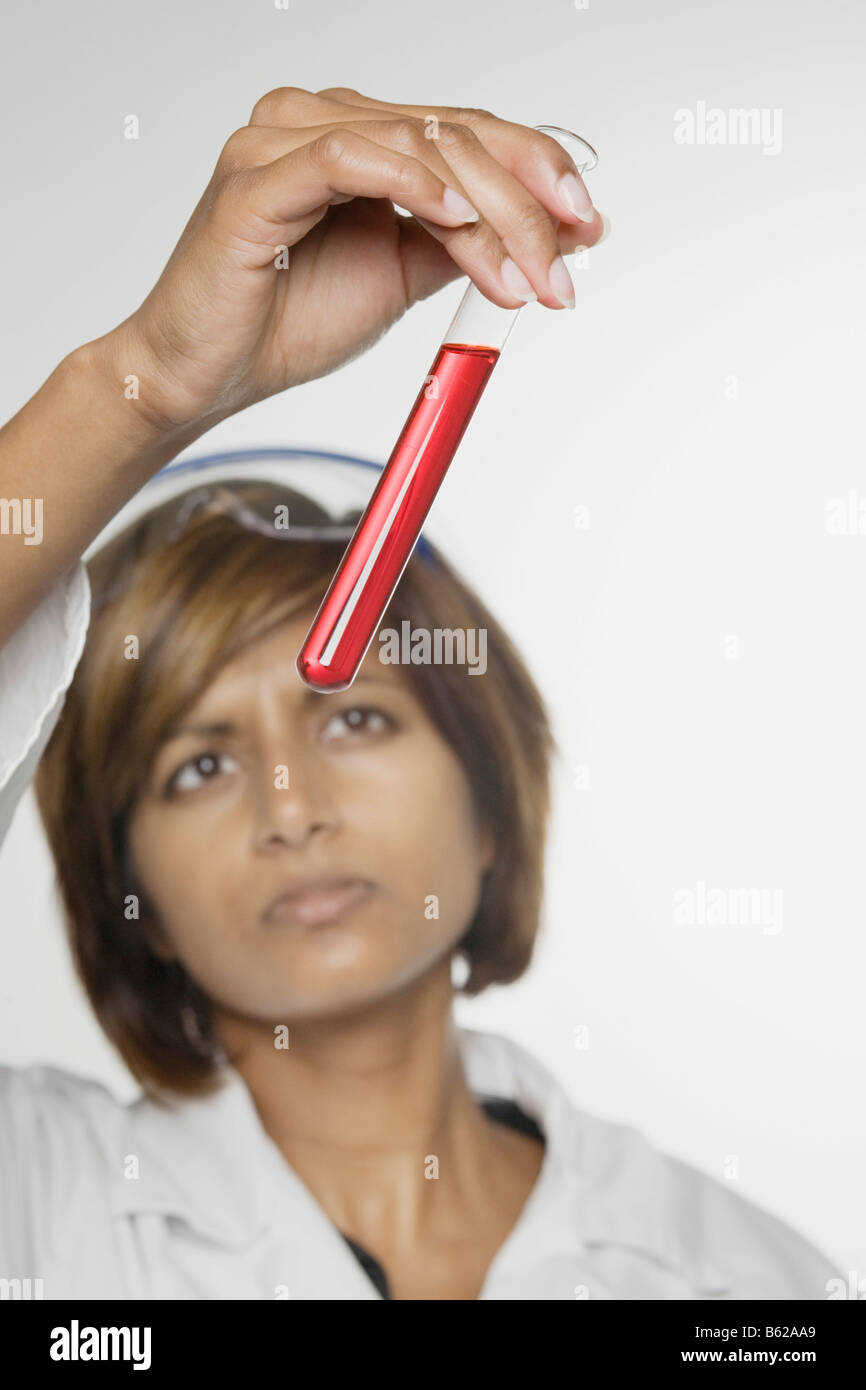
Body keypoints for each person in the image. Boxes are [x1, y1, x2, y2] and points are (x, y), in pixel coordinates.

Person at [0, 87, 840, 1300]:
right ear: (120, 878)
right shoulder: (38, 1210)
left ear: (489, 789)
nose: (290, 807)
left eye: (353, 716)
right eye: (200, 762)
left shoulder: (749, 1290)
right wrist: (143, 385)